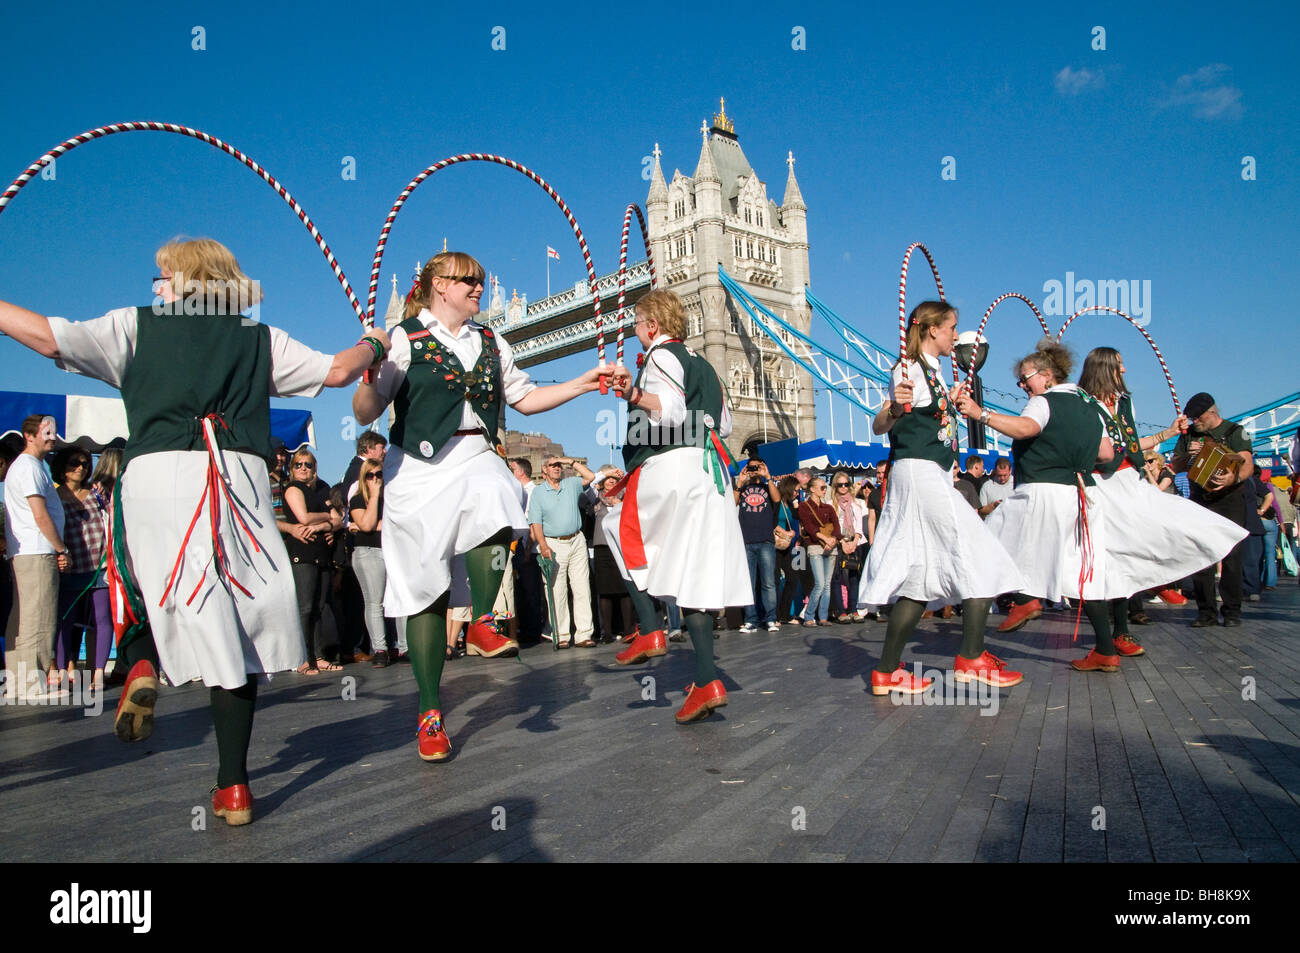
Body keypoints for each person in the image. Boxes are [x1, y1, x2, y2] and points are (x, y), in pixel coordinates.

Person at [0, 237, 388, 823]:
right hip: (237, 480)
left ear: (192, 281)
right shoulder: (258, 337)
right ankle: (233, 786)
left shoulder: (135, 326)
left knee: (147, 586)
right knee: (233, 622)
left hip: (159, 474)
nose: (156, 285)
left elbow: (48, 336)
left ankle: (140, 663)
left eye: (164, 275)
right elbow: (337, 371)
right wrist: (374, 342)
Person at [352, 250, 612, 761]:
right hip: (418, 469)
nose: (477, 287)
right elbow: (368, 409)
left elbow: (526, 397)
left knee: (499, 493)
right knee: (424, 594)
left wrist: (583, 382)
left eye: (480, 280)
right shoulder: (403, 338)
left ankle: (482, 621)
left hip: (475, 450)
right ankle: (430, 711)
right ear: (437, 286)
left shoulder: (492, 340)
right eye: (467, 280)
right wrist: (369, 373)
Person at [862, 302, 1026, 694]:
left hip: (923, 473)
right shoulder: (910, 370)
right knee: (983, 555)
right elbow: (881, 422)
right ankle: (970, 658)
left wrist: (948, 403)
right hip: (920, 474)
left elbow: (920, 415)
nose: (957, 334)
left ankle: (886, 672)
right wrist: (898, 407)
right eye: (953, 327)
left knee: (919, 578)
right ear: (933, 329)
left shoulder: (927, 373)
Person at [604, 289, 751, 723]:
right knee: (695, 576)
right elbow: (723, 423)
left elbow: (667, 411)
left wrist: (632, 395)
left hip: (674, 466)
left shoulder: (660, 357)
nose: (634, 331)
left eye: (636, 323)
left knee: (616, 527)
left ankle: (649, 629)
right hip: (713, 473)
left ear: (652, 326)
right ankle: (707, 679)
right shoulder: (705, 365)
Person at [958, 339, 1127, 671]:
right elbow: (1106, 454)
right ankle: (1105, 650)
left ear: (1047, 375)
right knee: (1083, 573)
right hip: (1080, 496)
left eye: (1026, 378)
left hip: (1040, 492)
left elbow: (1026, 428)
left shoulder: (1042, 402)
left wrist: (981, 414)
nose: (1023, 386)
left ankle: (1015, 608)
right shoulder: (1091, 405)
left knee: (986, 551)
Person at [1074, 348, 1247, 655]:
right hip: (1101, 485)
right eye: (1119, 366)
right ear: (1104, 369)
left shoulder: (1124, 403)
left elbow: (1130, 445)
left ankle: (1158, 590)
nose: (1124, 371)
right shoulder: (1082, 404)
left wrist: (1167, 433)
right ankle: (1116, 635)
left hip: (1129, 482)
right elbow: (1097, 450)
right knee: (1108, 558)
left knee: (1170, 523)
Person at [1170, 393, 1254, 627]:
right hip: (1201, 498)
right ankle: (1205, 612)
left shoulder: (1235, 431)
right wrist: (1189, 456)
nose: (1194, 421)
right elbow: (1175, 466)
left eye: (1198, 417)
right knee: (1201, 554)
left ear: (1211, 413)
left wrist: (1233, 477)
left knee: (1232, 556)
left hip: (1230, 499)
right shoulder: (1190, 436)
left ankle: (1232, 612)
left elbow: (1247, 462)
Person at [2, 415, 68, 700]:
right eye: (47, 433)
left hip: (29, 551)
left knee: (25, 617)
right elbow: (39, 515)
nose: (52, 438)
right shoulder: (29, 467)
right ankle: (29, 684)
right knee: (38, 618)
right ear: (30, 435)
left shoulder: (30, 467)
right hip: (37, 550)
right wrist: (60, 548)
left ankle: (20, 683)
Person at [281, 448, 342, 673]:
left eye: (308, 464)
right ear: (292, 468)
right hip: (302, 552)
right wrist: (327, 517)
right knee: (304, 607)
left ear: (314, 468)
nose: (303, 468)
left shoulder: (323, 488)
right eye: (298, 464)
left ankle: (318, 655)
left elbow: (338, 520)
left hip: (321, 554)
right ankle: (302, 658)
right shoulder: (293, 489)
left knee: (318, 606)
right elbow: (303, 517)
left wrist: (323, 525)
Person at [528, 454, 598, 647]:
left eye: (559, 465)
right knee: (556, 589)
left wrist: (570, 462)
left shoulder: (571, 483)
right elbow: (535, 522)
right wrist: (543, 545)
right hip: (553, 543)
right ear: (544, 470)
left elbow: (591, 477)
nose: (557, 468)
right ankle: (561, 634)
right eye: (552, 465)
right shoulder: (538, 492)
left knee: (582, 587)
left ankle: (584, 634)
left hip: (576, 539)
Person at [53, 448, 107, 687]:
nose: (81, 468)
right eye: (74, 463)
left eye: (85, 464)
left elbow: (112, 521)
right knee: (64, 621)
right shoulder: (53, 496)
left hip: (100, 567)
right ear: (62, 466)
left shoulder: (97, 494)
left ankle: (98, 674)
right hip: (69, 569)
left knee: (101, 620)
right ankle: (64, 671)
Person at [735, 456, 781, 632]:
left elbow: (777, 499)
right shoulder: (743, 487)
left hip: (765, 540)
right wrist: (740, 482)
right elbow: (733, 503)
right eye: (751, 467)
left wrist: (767, 477)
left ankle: (771, 618)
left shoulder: (767, 487)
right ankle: (750, 620)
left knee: (768, 583)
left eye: (757, 467)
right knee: (749, 584)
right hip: (746, 541)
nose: (754, 470)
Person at [797, 475, 840, 626]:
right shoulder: (804, 506)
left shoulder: (828, 507)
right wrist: (824, 538)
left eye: (825, 487)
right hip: (815, 545)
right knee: (820, 583)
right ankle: (809, 616)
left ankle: (823, 616)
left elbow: (836, 525)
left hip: (830, 547)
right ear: (812, 489)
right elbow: (808, 526)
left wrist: (833, 539)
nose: (824, 490)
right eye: (822, 487)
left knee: (827, 583)